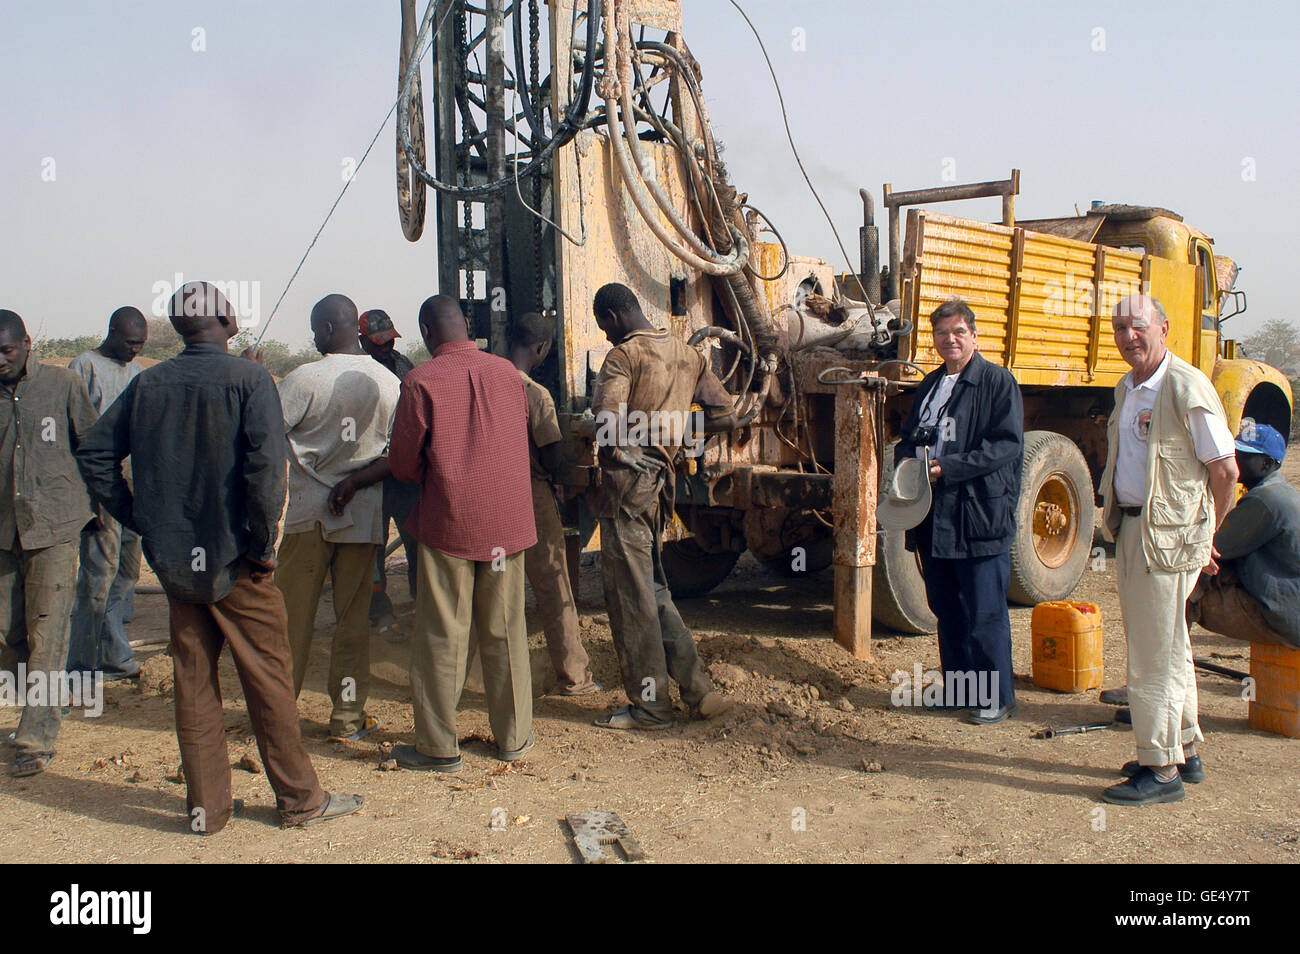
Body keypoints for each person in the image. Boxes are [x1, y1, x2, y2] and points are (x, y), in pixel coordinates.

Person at [76, 282, 361, 833]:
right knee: (269, 679)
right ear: (227, 318)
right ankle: (301, 801)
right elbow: (263, 476)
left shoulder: (149, 383)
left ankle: (207, 811)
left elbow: (95, 454)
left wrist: (140, 519)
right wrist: (260, 547)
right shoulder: (251, 379)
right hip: (238, 565)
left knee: (194, 684)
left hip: (177, 562)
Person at [384, 295, 535, 772]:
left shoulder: (420, 381)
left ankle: (438, 747)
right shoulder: (510, 375)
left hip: (448, 523)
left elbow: (404, 466)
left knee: (442, 634)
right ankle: (514, 738)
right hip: (507, 526)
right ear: (468, 325)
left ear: (427, 332)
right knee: (506, 630)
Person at [1098, 294, 1238, 806]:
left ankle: (1160, 769)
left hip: (1169, 540)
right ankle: (1186, 748)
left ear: (1164, 327)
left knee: (1152, 655)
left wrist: (1208, 536)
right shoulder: (1127, 388)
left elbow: (1225, 471)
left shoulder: (1185, 387)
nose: (1128, 336)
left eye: (1138, 326)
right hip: (1134, 530)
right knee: (1169, 644)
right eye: (1119, 328)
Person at [578, 283, 737, 730]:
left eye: (604, 328)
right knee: (655, 592)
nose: (607, 337)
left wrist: (619, 446)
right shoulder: (688, 355)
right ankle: (698, 691)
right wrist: (673, 429)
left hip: (626, 493)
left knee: (632, 602)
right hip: (661, 489)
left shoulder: (623, 357)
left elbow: (607, 424)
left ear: (611, 317)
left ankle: (650, 707)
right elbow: (727, 415)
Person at [272, 295, 399, 742]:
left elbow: (267, 439)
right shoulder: (389, 383)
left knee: (291, 619)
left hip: (307, 517)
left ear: (327, 329)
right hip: (363, 519)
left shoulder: (302, 379)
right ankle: (347, 716)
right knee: (352, 619)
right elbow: (398, 458)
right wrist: (356, 482)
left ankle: (278, 716)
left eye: (314, 329)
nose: (312, 337)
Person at [895, 299, 1024, 725]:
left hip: (978, 516)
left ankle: (997, 697)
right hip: (935, 516)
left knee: (984, 610)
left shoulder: (996, 382)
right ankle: (961, 690)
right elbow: (909, 436)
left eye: (958, 332)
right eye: (941, 334)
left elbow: (1004, 446)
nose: (950, 340)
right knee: (947, 607)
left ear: (974, 336)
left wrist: (945, 467)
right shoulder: (931, 385)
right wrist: (907, 466)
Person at [0, 309, 98, 777]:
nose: (0, 360)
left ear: (26, 346)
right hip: (3, 532)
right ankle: (29, 706)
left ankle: (35, 738)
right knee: (6, 636)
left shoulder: (62, 386)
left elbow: (93, 446)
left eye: (7, 350)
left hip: (56, 529)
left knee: (47, 639)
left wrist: (106, 510)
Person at [508, 311, 599, 695]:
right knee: (552, 580)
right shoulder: (533, 392)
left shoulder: (480, 381)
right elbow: (549, 456)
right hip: (528, 491)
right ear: (542, 348)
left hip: (484, 492)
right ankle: (573, 676)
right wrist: (565, 479)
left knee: (494, 585)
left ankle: (484, 674)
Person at [67, 307, 149, 680]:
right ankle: (83, 664)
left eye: (140, 345)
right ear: (113, 333)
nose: (135, 350)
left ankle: (113, 652)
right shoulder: (83, 367)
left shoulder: (137, 372)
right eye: (130, 343)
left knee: (127, 574)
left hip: (132, 487)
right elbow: (77, 436)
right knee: (98, 576)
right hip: (100, 487)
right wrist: (88, 496)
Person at [1186, 422, 1299, 650]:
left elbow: (1211, 548)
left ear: (1266, 463)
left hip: (1286, 616)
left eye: (1244, 455)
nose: (1234, 458)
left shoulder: (1264, 501)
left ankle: (1165, 678)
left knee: (1181, 595)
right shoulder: (1282, 492)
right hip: (1291, 603)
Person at [357, 309, 419, 629]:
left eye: (389, 341)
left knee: (418, 539)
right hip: (371, 474)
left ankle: (421, 599)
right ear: (363, 342)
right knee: (374, 545)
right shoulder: (357, 373)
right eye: (378, 343)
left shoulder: (403, 364)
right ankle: (379, 610)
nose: (386, 348)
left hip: (405, 475)